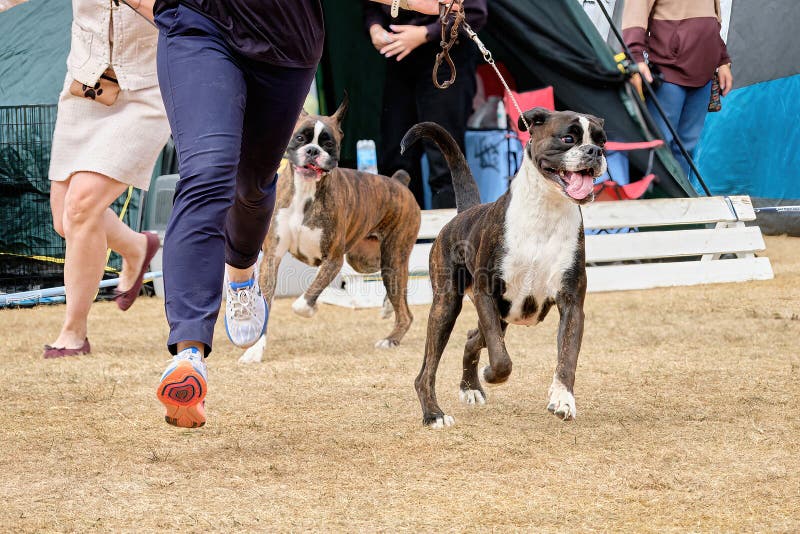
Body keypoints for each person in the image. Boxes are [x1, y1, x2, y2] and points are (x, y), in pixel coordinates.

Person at [141, 0, 452, 428]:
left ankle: (240, 273)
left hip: (286, 44)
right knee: (207, 171)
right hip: (199, 25)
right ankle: (189, 353)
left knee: (253, 184)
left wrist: (439, 7)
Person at [0, 0, 170, 358]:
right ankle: (137, 246)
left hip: (147, 89)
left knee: (82, 207)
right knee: (65, 221)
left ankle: (73, 333)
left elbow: (177, 14)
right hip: (86, 86)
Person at [364, 0, 487, 209]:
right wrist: (374, 27)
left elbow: (475, 13)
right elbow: (371, 6)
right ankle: (401, 233)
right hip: (400, 60)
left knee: (443, 157)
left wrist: (424, 33)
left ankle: (449, 236)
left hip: (447, 57)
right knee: (396, 154)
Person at [623, 0, 733, 188]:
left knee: (686, 148)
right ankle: (647, 201)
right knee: (658, 145)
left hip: (704, 74)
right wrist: (635, 56)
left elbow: (712, 20)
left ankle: (678, 199)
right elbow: (636, 11)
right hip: (667, 71)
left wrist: (722, 60)